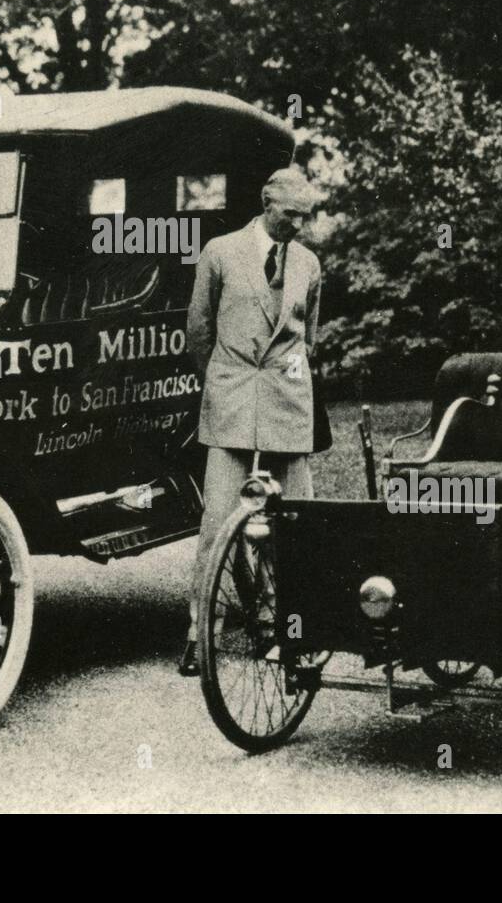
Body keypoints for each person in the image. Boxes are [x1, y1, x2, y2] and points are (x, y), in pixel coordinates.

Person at [179, 166, 321, 676]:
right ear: (266, 202)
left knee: (297, 524)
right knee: (218, 521)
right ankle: (202, 634)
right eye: (290, 215)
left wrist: (288, 377)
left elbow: (309, 336)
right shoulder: (219, 252)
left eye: (306, 217)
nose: (298, 226)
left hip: (288, 403)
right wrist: (224, 381)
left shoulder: (308, 263)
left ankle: (287, 628)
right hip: (232, 399)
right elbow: (198, 330)